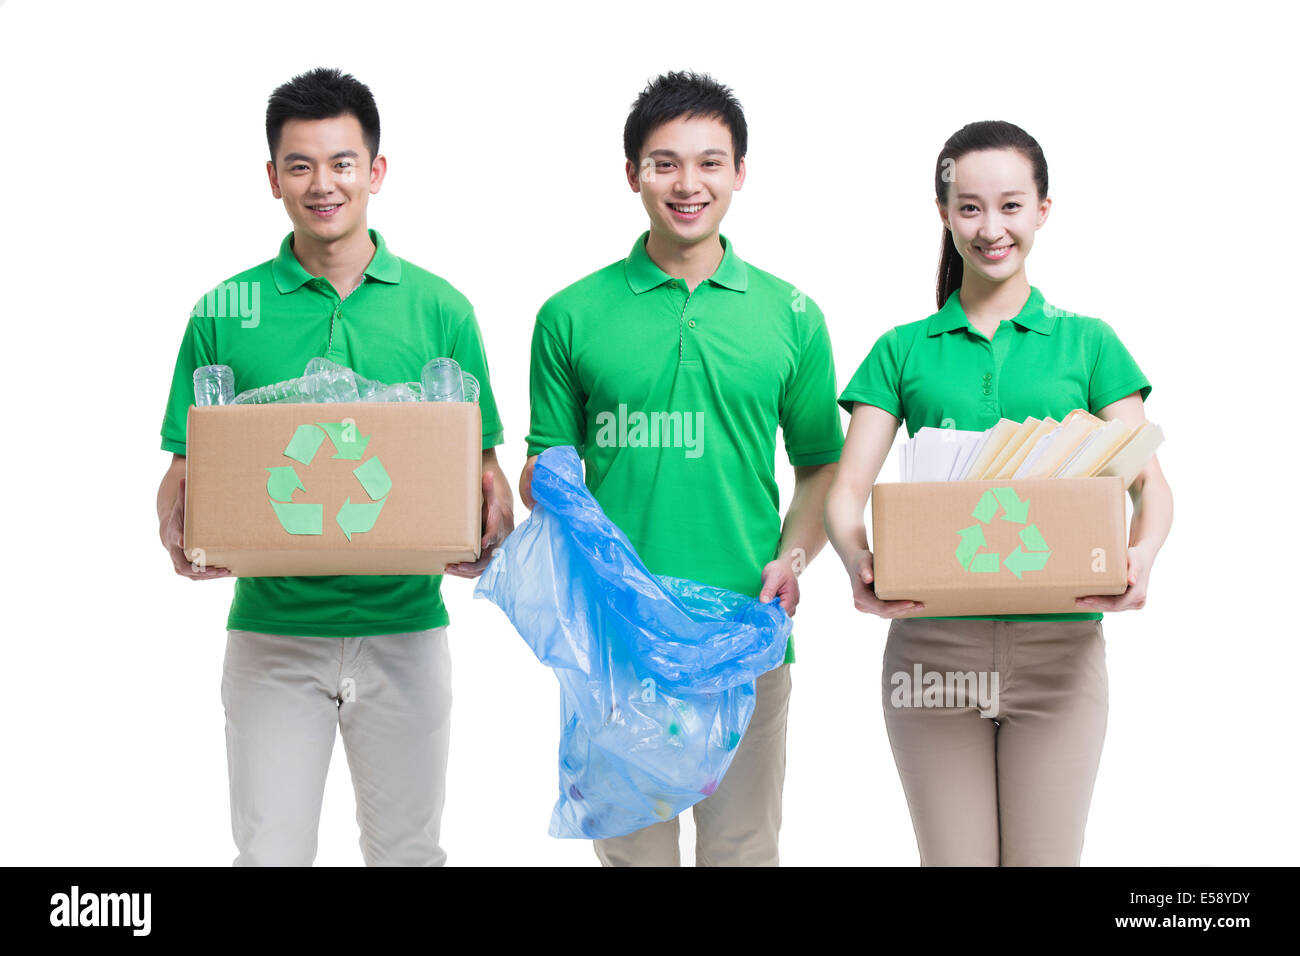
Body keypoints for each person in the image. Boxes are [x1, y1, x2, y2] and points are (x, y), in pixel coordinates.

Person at [155, 67, 513, 866]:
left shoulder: (439, 307)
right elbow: (188, 467)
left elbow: (479, 465)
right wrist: (172, 520)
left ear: (376, 172)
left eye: (343, 162)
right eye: (301, 165)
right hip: (273, 631)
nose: (325, 184)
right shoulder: (226, 309)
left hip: (405, 627)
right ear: (273, 177)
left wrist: (488, 522)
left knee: (409, 853)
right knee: (270, 854)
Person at [825, 120, 1173, 866]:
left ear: (1043, 209)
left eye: (1011, 206)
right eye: (971, 208)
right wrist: (855, 561)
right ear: (945, 215)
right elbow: (846, 490)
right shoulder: (904, 349)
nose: (992, 228)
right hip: (932, 651)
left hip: (1061, 653)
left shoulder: (1089, 343)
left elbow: (1152, 485)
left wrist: (1143, 555)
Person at [521, 71, 844, 867]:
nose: (687, 183)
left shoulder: (791, 315)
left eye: (709, 162)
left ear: (740, 172)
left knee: (742, 849)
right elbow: (544, 469)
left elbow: (821, 468)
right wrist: (539, 483)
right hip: (616, 642)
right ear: (632, 174)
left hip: (745, 630)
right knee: (633, 854)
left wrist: (793, 557)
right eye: (665, 163)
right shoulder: (571, 314)